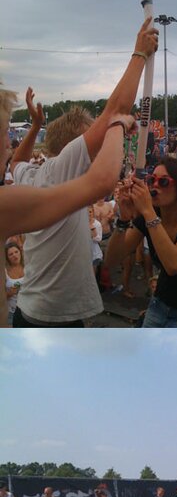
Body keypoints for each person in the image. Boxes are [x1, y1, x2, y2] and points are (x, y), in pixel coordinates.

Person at [9, 20, 157, 326]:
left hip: (31, 310)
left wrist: (35, 125)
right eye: (93, 141)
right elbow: (115, 110)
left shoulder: (32, 175)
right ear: (73, 146)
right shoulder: (64, 166)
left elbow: (15, 162)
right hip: (55, 318)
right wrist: (139, 55)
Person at [106, 159, 177, 327]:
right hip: (161, 303)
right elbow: (112, 260)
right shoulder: (149, 217)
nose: (154, 186)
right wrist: (122, 218)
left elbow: (174, 264)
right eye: (151, 180)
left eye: (163, 181)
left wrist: (148, 212)